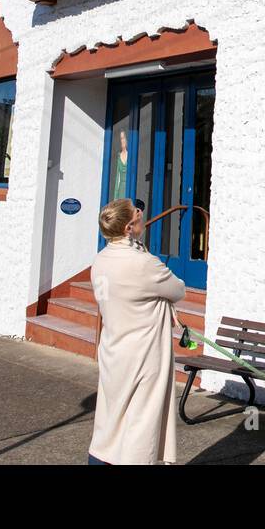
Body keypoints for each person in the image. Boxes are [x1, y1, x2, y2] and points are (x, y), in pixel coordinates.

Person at [87, 198, 187, 465]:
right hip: (143, 353)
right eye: (137, 212)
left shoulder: (100, 261)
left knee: (110, 423)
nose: (142, 213)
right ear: (129, 227)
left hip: (113, 349)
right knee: (140, 426)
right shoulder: (143, 263)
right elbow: (178, 289)